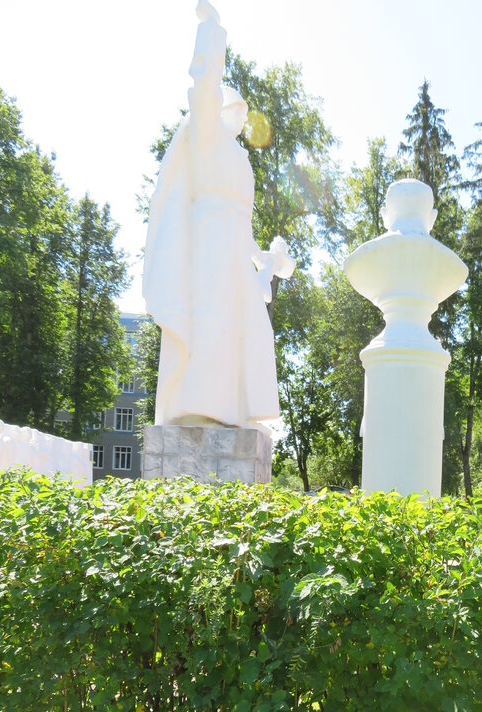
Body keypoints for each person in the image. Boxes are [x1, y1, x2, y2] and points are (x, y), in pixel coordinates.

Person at [142, 0, 293, 428]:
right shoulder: (205, 135)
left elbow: (241, 222)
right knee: (209, 325)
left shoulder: (236, 156)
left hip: (229, 246)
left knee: (248, 333)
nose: (244, 117)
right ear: (223, 110)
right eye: (238, 109)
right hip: (207, 243)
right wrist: (212, 35)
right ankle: (201, 409)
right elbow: (203, 87)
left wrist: (261, 259)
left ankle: (230, 410)